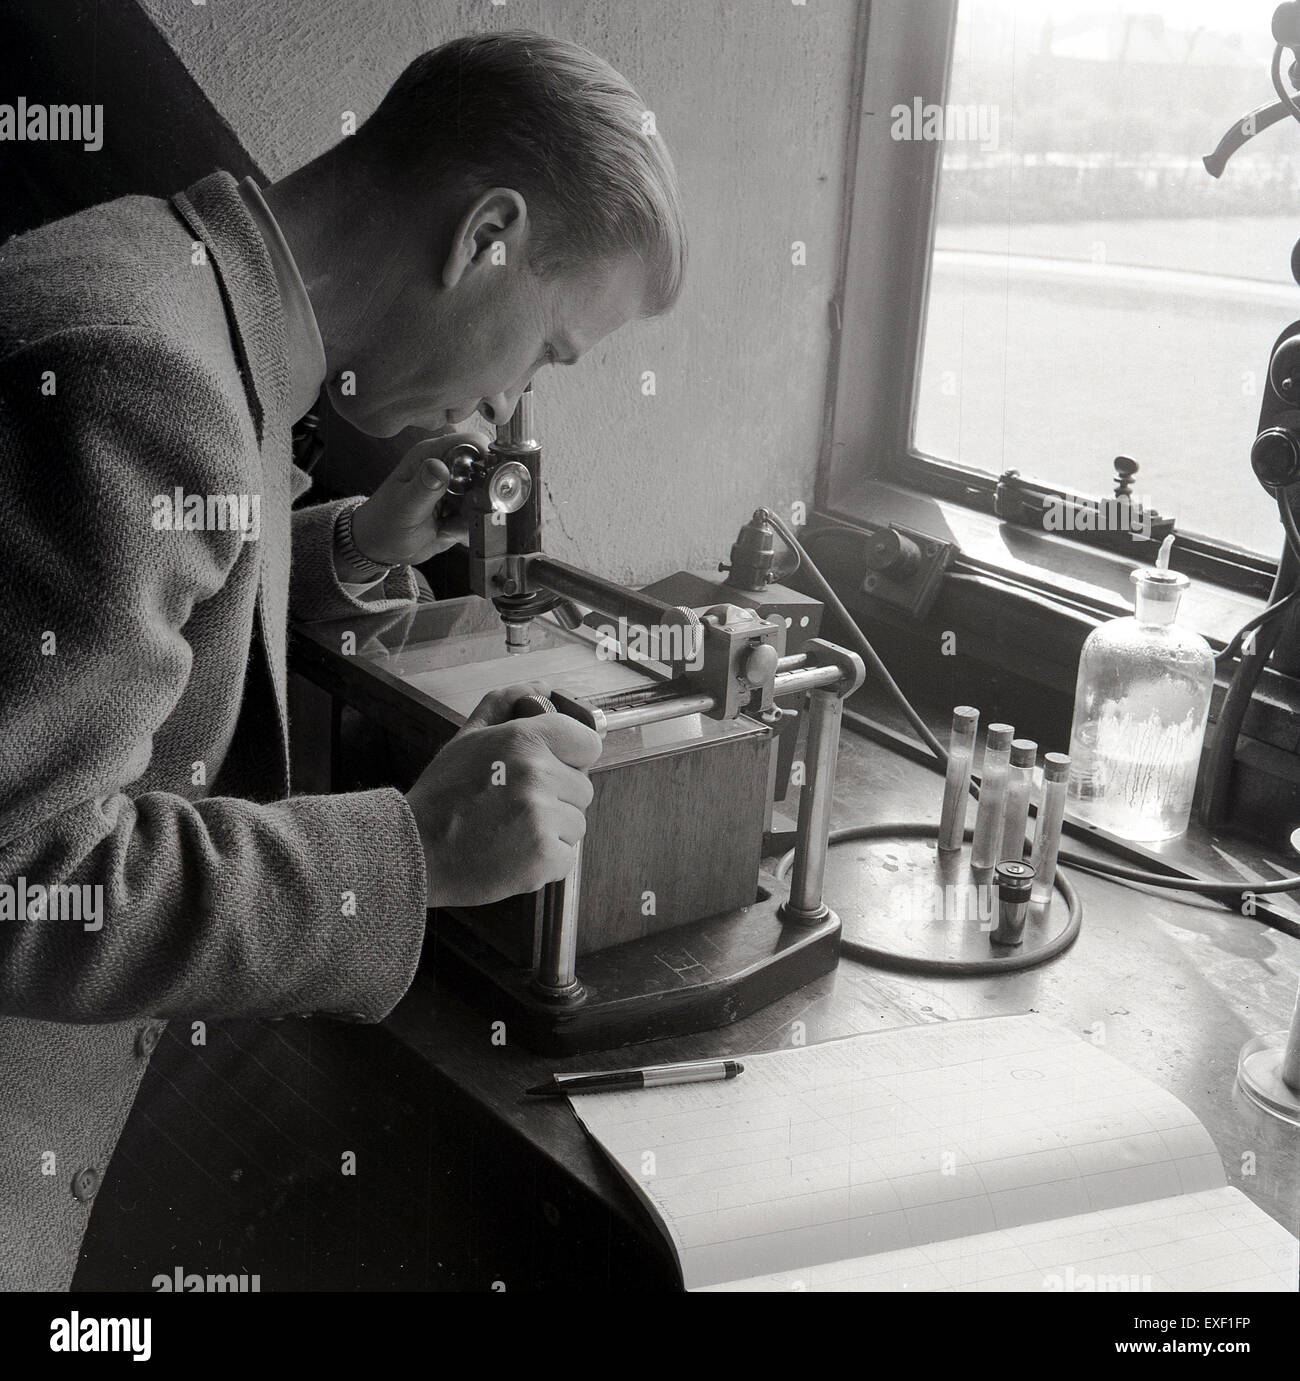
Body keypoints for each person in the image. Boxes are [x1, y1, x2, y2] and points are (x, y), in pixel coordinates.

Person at [0, 29, 686, 1290]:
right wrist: (409, 860)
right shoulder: (146, 374)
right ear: (487, 235)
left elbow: (144, 611)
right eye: (546, 351)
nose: (507, 407)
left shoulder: (179, 285)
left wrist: (359, 544)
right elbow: (25, 875)